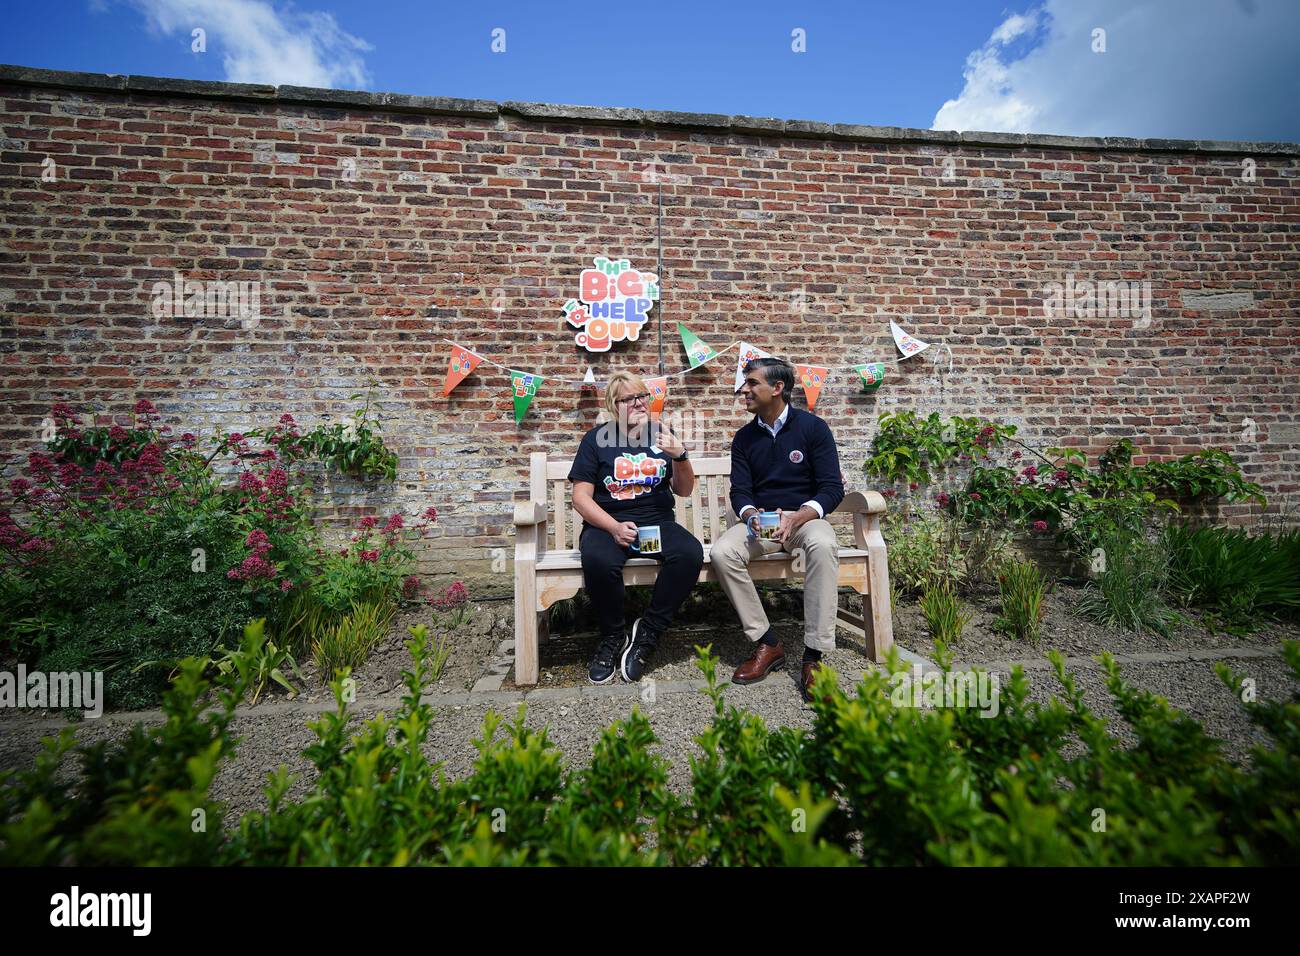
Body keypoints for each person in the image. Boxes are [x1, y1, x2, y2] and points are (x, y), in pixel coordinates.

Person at [712, 357, 844, 702]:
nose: (745, 390)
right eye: (746, 383)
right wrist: (750, 512)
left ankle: (814, 657)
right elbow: (739, 490)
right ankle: (768, 643)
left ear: (778, 388)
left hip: (804, 522)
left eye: (752, 383)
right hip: (762, 525)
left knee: (824, 545)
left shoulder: (813, 429)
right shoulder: (743, 438)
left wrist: (799, 517)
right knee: (722, 552)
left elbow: (832, 488)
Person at [568, 371, 704, 684]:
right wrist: (614, 527)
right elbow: (580, 497)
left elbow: (683, 490)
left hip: (655, 526)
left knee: (689, 553)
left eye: (642, 396)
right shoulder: (596, 440)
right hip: (607, 526)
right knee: (599, 561)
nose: (639, 403)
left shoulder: (662, 434)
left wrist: (680, 456)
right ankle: (613, 637)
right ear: (614, 406)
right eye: (629, 398)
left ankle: (647, 633)